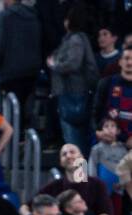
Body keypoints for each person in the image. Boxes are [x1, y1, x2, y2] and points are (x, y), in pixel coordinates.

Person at [49, 7, 99, 152]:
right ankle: (81, 173)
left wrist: (55, 65)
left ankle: (80, 174)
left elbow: (73, 64)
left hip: (73, 94)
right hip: (73, 93)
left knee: (74, 142)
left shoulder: (76, 39)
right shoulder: (75, 39)